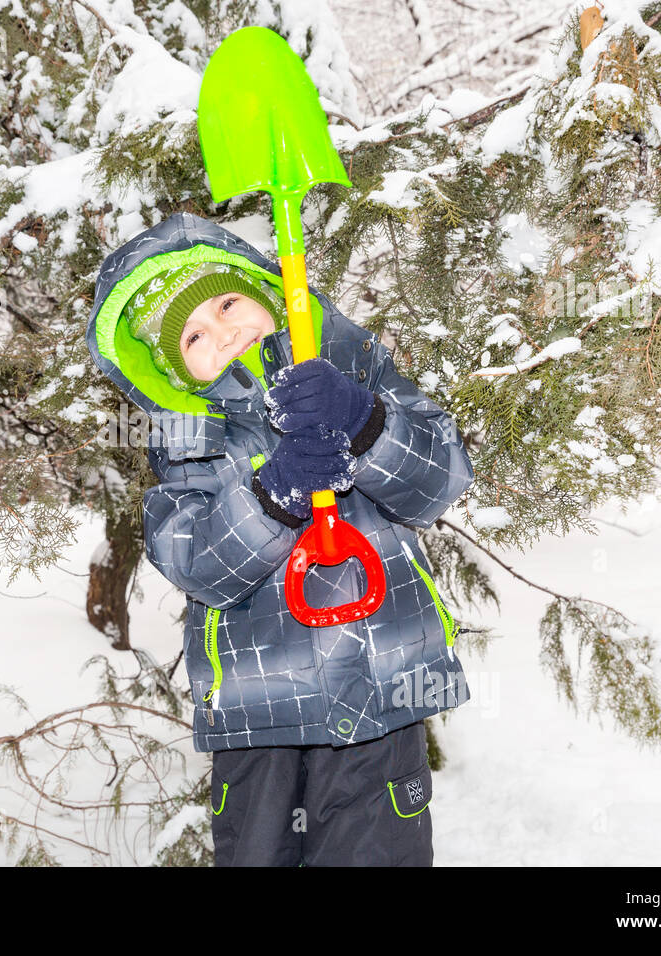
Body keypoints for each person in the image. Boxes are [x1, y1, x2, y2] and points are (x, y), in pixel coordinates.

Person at [85, 212, 474, 866]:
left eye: (230, 301)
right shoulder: (189, 449)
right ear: (173, 374)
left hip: (379, 705)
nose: (226, 329)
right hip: (257, 721)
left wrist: (364, 420)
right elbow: (199, 562)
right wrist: (273, 493)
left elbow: (441, 478)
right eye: (196, 335)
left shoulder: (354, 376)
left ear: (268, 292)